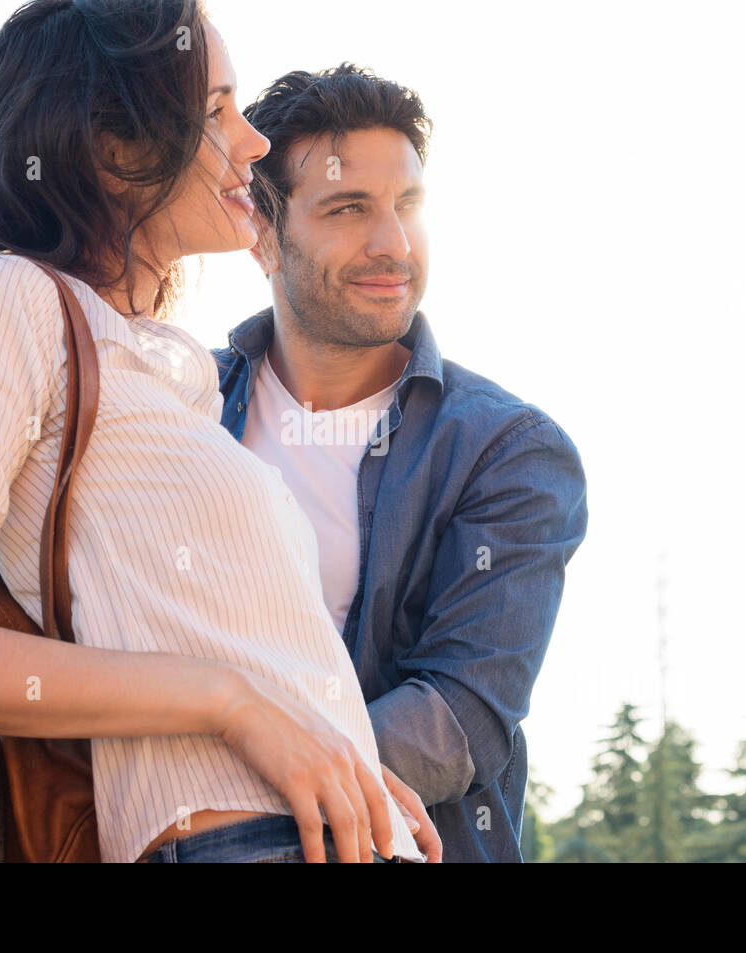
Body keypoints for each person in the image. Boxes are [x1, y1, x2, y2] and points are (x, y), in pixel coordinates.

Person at [0, 0, 436, 864]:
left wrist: (338, 740)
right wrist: (231, 701)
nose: (252, 142)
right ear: (115, 149)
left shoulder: (171, 368)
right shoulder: (8, 297)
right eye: (217, 111)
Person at [213, 64, 589, 861]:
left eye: (408, 206)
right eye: (349, 208)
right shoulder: (181, 405)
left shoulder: (510, 452)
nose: (392, 243)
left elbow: (459, 717)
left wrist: (215, 780)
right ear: (261, 231)